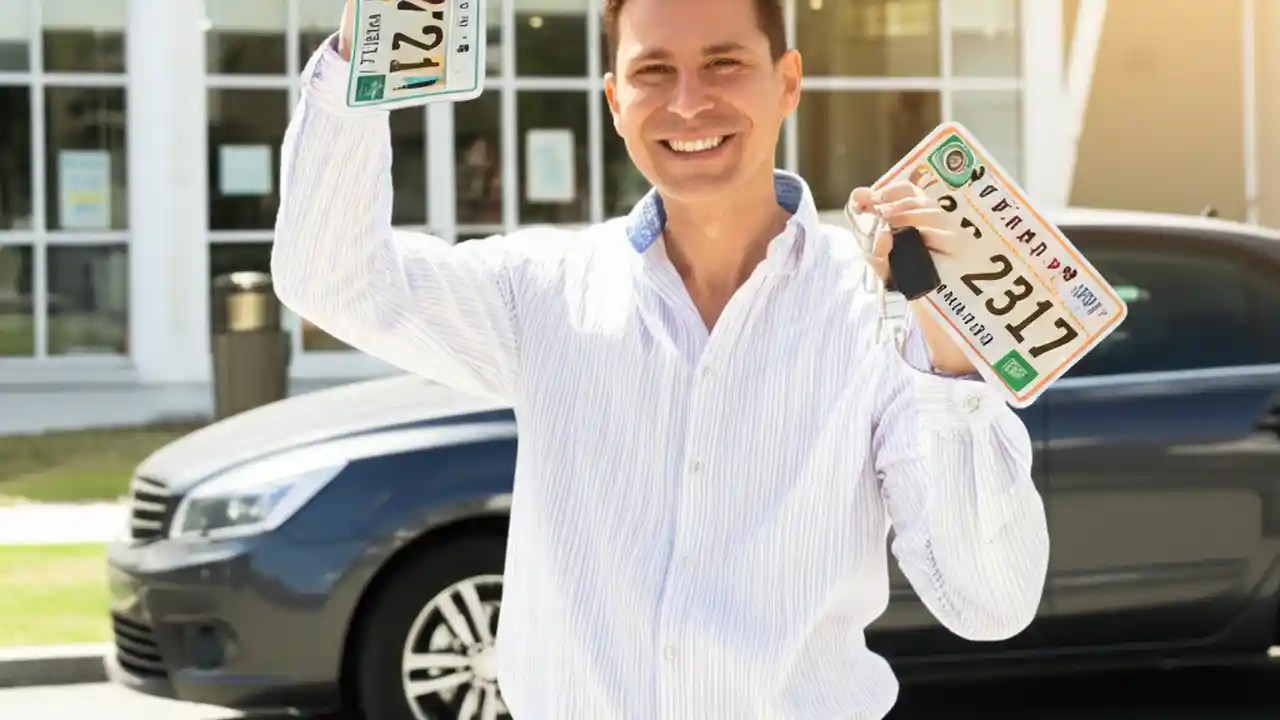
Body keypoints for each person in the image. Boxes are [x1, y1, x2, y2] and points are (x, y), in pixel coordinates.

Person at [271, 0, 1050, 717]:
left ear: (787, 83)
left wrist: (948, 357)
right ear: (615, 102)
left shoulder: (882, 314)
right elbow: (332, 276)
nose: (687, 103)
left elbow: (990, 602)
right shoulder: (541, 293)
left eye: (722, 63)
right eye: (653, 71)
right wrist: (367, 43)